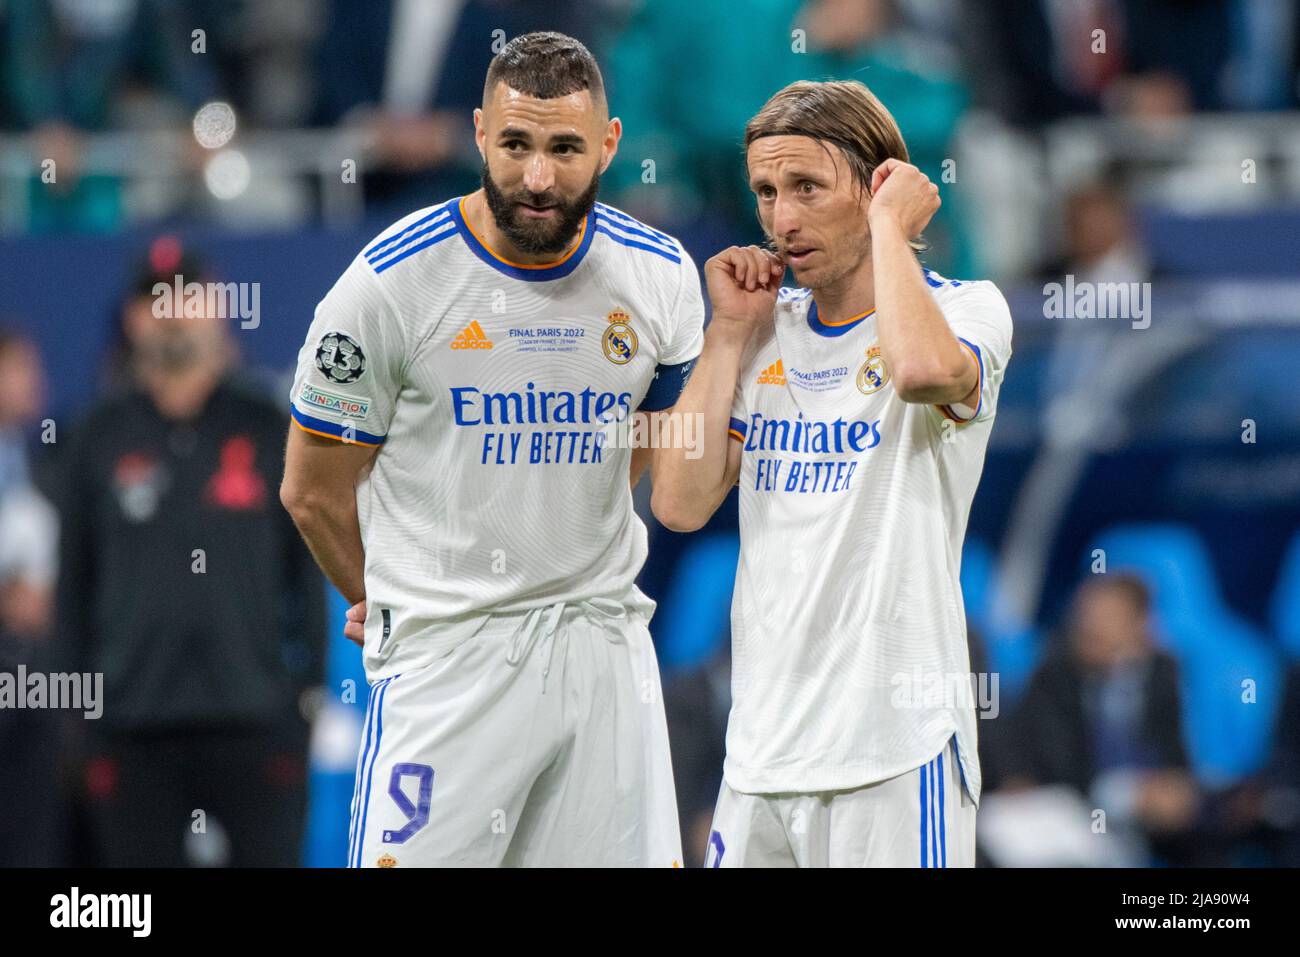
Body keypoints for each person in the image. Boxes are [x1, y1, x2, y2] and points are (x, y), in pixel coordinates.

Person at [280, 32, 703, 868]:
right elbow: (311, 489)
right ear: (478, 133)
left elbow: (641, 448)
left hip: (602, 650)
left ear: (609, 145)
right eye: (515, 144)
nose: (537, 176)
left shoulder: (660, 278)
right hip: (449, 661)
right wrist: (390, 595)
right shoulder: (388, 286)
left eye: (564, 148)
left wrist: (561, 543)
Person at [652, 79, 1012, 866]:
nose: (782, 219)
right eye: (766, 192)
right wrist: (726, 337)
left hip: (894, 750)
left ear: (881, 184)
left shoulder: (968, 310)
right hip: (758, 756)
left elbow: (917, 371)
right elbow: (677, 502)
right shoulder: (765, 329)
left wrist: (891, 231)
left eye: (807, 187)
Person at [58, 240, 324, 866]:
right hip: (131, 727)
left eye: (188, 294)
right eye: (156, 298)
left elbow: (309, 566)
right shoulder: (98, 436)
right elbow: (73, 588)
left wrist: (306, 691)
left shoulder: (266, 425)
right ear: (130, 318)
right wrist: (79, 718)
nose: (173, 312)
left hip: (256, 720)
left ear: (218, 307)